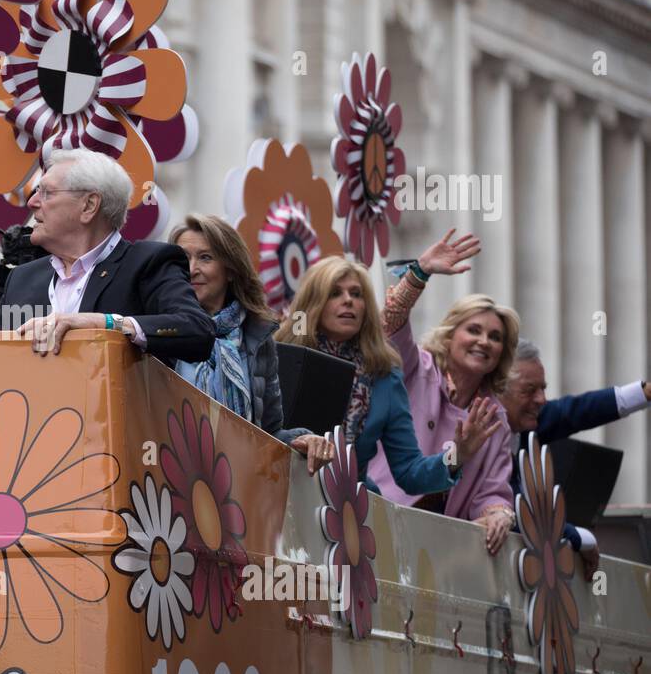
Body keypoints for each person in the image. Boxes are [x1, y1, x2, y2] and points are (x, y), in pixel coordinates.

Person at [275, 256, 499, 494]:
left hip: (346, 509)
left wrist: (457, 455)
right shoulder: (280, 355)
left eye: (356, 294)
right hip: (276, 490)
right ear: (314, 303)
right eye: (335, 293)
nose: (348, 301)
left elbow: (409, 472)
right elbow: (257, 429)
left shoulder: (384, 374)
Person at [369, 229, 520, 556]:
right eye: (474, 330)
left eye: (495, 337)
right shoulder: (415, 368)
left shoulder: (495, 418)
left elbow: (492, 492)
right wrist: (420, 271)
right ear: (450, 336)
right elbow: (389, 325)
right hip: (374, 520)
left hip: (433, 551)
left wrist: (498, 515)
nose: (484, 341)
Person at [0, 149, 214, 362]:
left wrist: (108, 324)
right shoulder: (21, 279)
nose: (32, 202)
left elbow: (197, 330)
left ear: (89, 205)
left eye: (46, 192)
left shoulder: (147, 263)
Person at [169, 215, 332, 471]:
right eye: (183, 258)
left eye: (205, 257)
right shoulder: (159, 330)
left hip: (238, 486)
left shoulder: (257, 336)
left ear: (231, 270)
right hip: (169, 482)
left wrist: (304, 438)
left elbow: (266, 433)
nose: (191, 269)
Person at [501, 339, 650, 577]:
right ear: (497, 389)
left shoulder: (525, 422)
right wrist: (578, 536)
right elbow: (513, 513)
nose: (541, 399)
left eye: (543, 389)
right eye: (529, 390)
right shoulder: (475, 437)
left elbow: (577, 411)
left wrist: (643, 393)